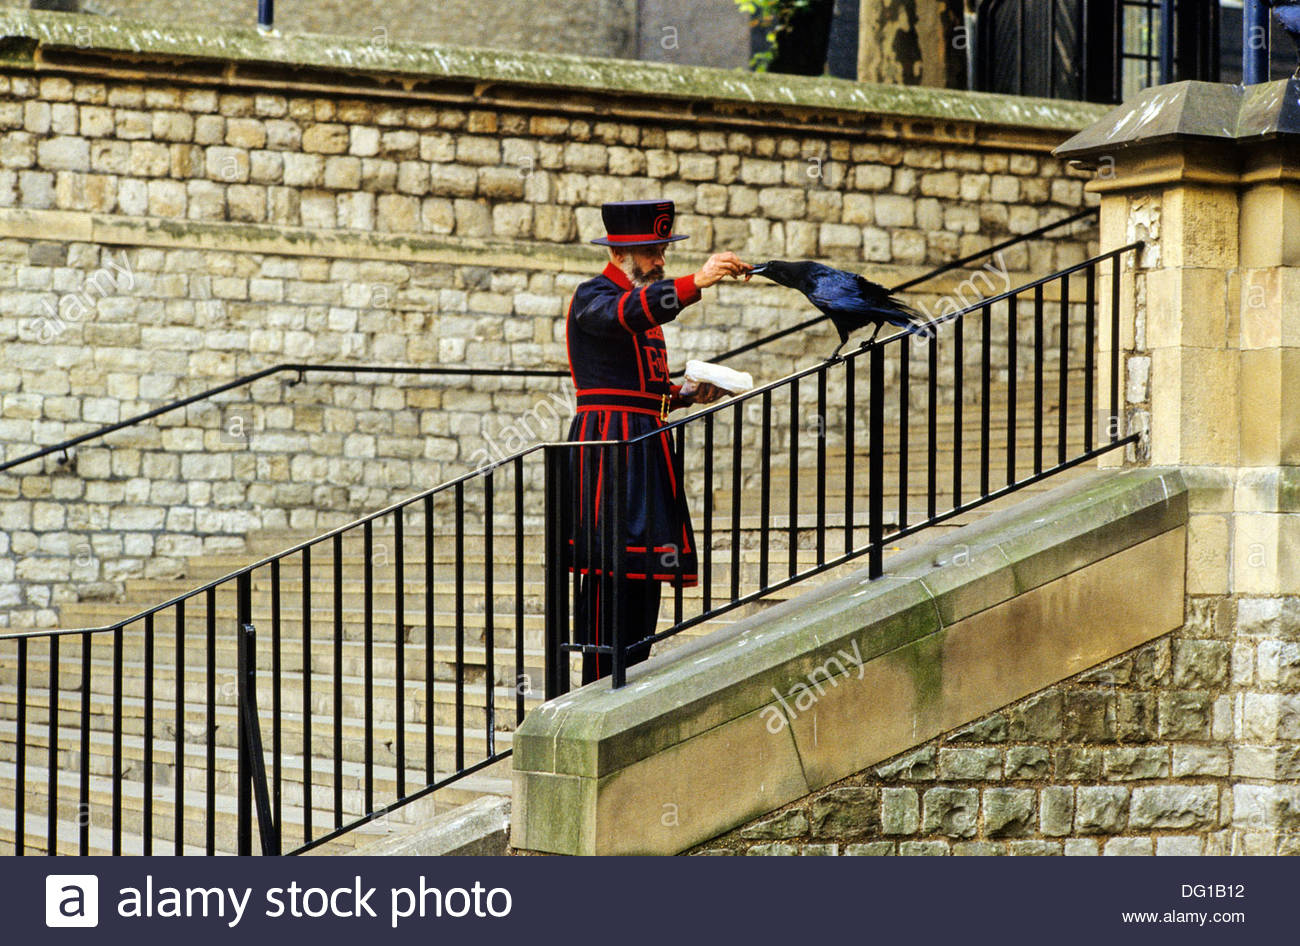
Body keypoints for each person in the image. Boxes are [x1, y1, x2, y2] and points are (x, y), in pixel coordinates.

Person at [563, 199, 749, 684]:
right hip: (609, 453)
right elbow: (622, 314)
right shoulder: (594, 296)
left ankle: (630, 683)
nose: (660, 260)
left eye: (663, 252)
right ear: (624, 252)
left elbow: (643, 386)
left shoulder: (637, 300)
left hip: (645, 449)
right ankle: (600, 692)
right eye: (653, 252)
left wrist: (684, 392)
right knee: (612, 578)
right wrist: (695, 283)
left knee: (643, 582)